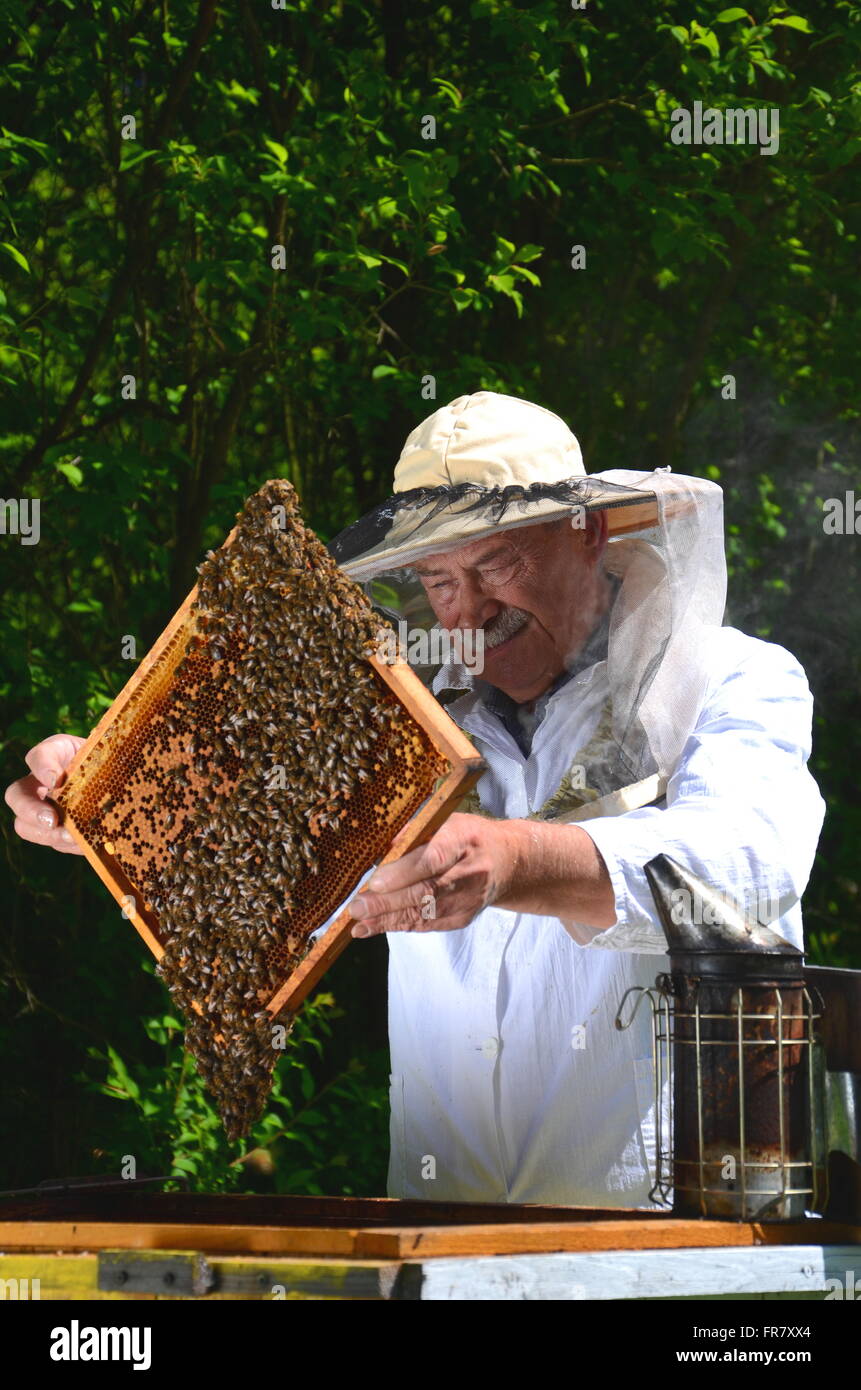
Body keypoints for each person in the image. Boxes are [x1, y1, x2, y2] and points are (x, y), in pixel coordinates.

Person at [6, 391, 826, 1209]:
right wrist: (121, 806)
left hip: (677, 1250)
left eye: (494, 565)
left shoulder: (732, 678)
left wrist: (509, 860)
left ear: (589, 531)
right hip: (445, 1241)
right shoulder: (403, 733)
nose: (466, 612)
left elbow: (746, 865)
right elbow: (295, 893)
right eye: (437, 579)